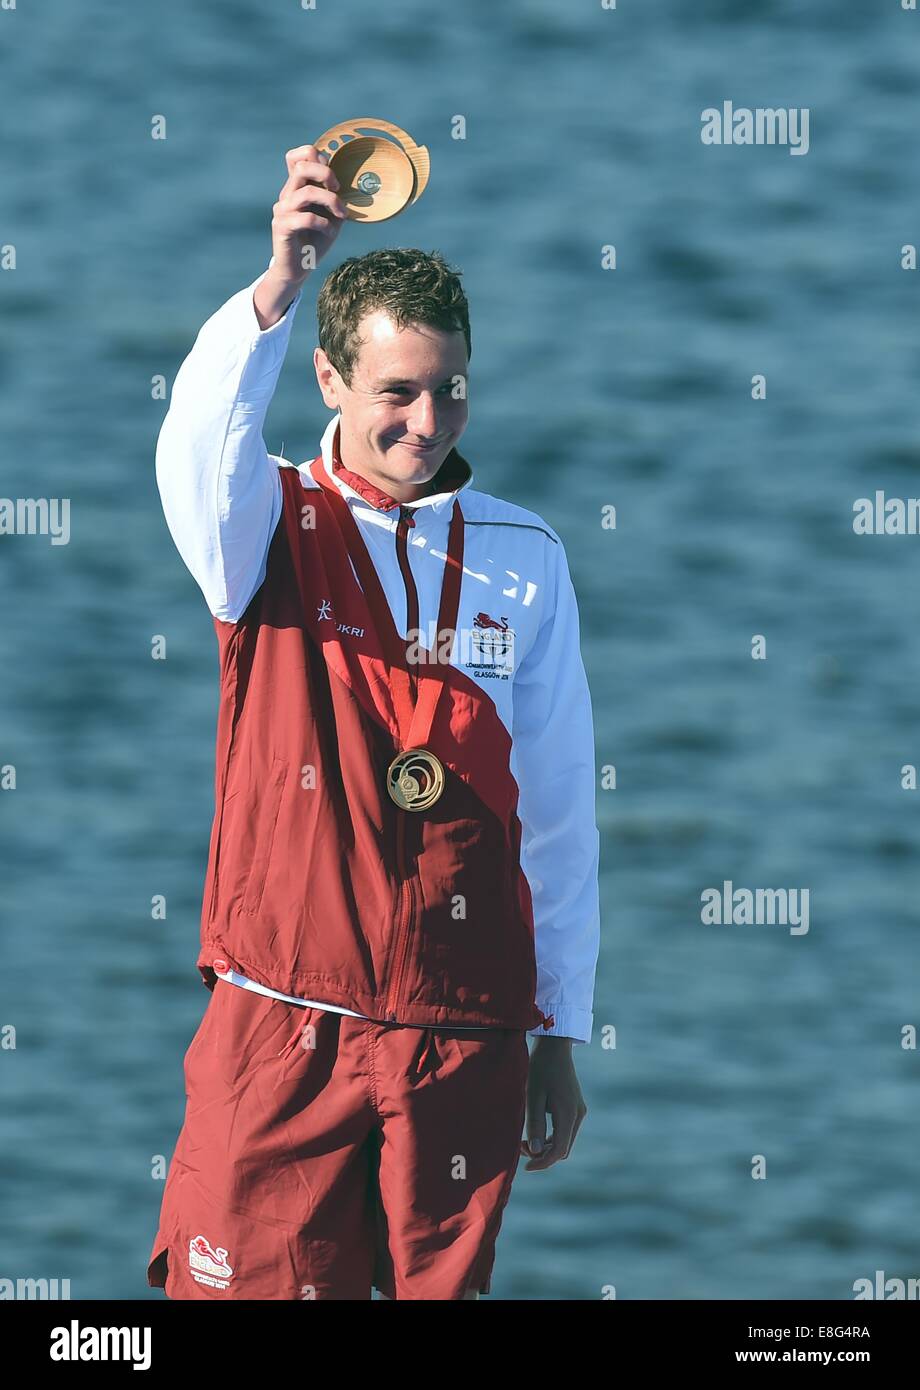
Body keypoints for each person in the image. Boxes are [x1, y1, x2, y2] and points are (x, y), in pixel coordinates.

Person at [146, 145, 601, 1301]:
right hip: (283, 1023)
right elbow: (196, 445)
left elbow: (553, 818)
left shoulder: (525, 556)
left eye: (449, 387)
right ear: (331, 382)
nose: (425, 419)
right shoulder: (258, 528)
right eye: (396, 390)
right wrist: (279, 280)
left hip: (463, 1029)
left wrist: (560, 1030)